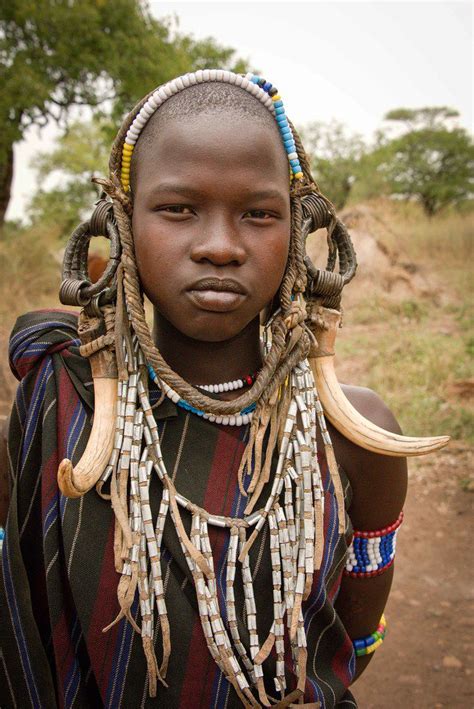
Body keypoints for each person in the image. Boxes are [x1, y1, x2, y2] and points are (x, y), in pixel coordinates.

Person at [0, 70, 448, 708]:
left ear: (298, 230)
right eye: (178, 209)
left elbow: (355, 641)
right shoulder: (59, 410)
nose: (219, 247)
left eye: (259, 214)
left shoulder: (353, 434)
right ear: (121, 224)